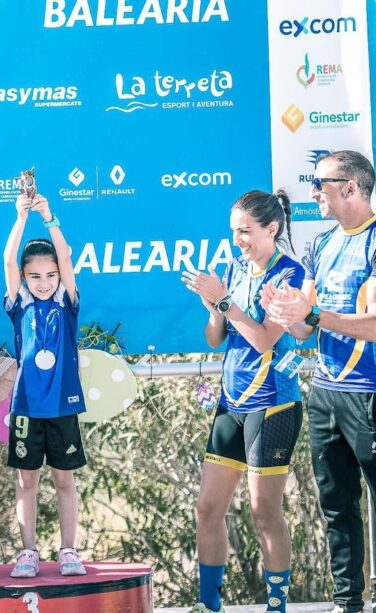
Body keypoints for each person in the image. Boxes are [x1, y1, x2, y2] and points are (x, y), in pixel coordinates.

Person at [262, 151, 376, 613]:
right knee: (336, 504)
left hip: (369, 393)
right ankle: (348, 602)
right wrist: (285, 310)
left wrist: (311, 314)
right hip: (327, 395)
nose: (313, 193)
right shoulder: (323, 244)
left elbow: (373, 323)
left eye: (321, 184)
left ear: (350, 188)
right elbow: (307, 328)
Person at [181, 190, 303, 613]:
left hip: (273, 405)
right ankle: (208, 603)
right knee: (207, 507)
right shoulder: (234, 268)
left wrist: (226, 302)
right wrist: (214, 310)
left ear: (271, 228)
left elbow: (267, 339)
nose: (238, 240)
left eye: (245, 231)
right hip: (231, 401)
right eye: (233, 231)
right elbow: (216, 339)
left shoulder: (289, 273)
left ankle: (276, 605)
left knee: (263, 511)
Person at [2, 189, 87, 578]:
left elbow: (66, 256)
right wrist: (21, 217)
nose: (42, 282)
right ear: (23, 277)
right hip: (26, 407)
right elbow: (7, 258)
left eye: (50, 275)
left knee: (65, 480)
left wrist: (48, 216)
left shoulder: (67, 302)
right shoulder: (20, 302)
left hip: (63, 406)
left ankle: (69, 550)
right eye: (34, 276)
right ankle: (28, 552)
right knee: (26, 481)